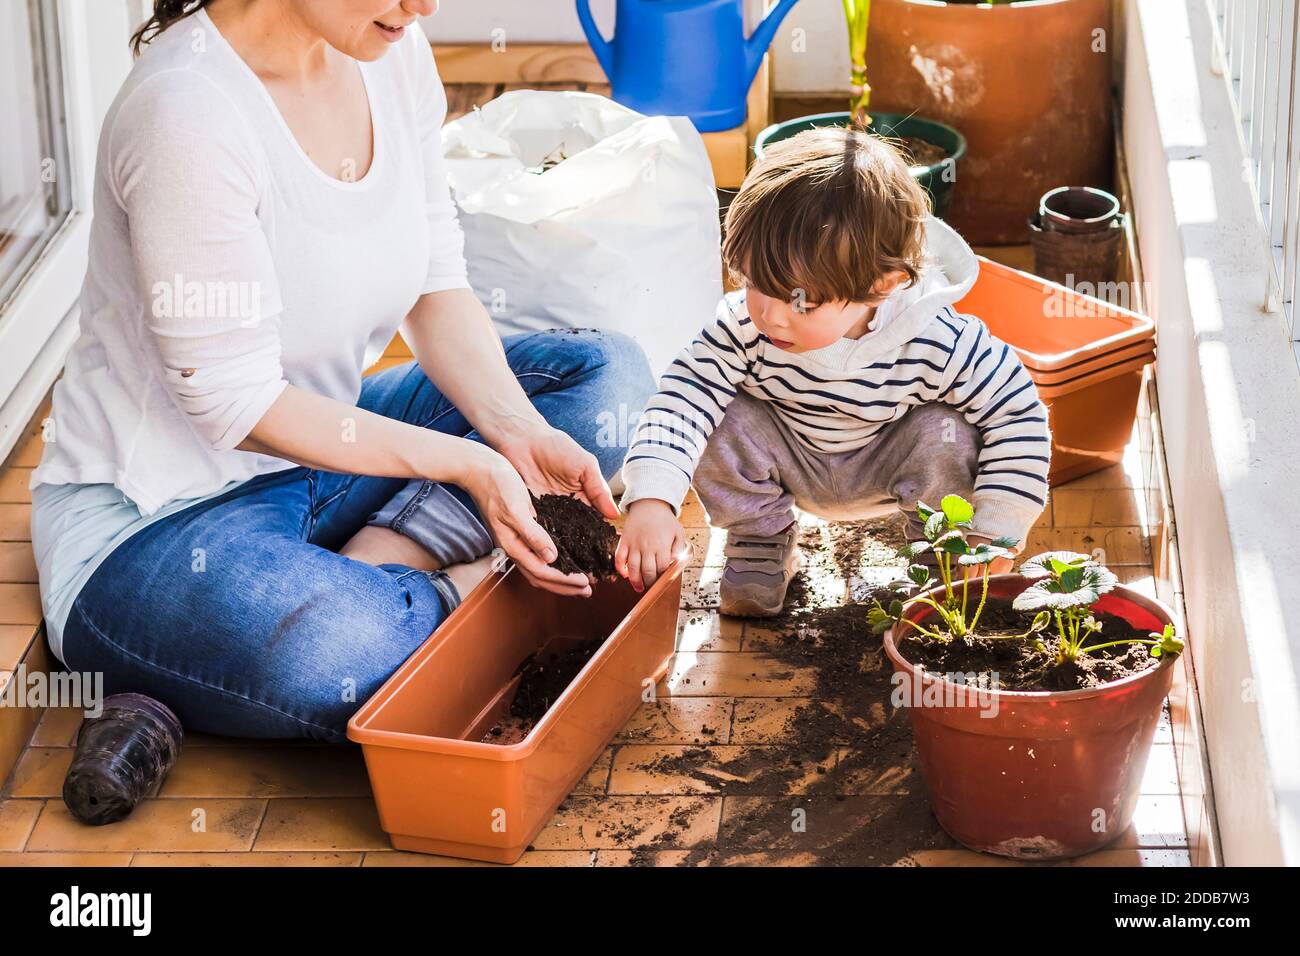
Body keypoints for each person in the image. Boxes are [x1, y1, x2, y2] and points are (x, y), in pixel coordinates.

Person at [29, 0, 654, 741]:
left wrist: (513, 435)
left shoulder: (390, 53)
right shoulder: (186, 112)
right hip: (159, 521)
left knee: (605, 374)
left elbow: (435, 280)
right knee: (341, 652)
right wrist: (469, 465)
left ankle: (384, 567)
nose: (424, 6)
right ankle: (436, 589)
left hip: (327, 452)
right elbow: (232, 404)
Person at [615, 127, 1051, 616]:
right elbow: (681, 398)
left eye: (801, 301)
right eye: (757, 282)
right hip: (789, 461)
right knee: (717, 413)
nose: (770, 314)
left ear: (882, 286)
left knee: (947, 433)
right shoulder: (743, 326)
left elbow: (1018, 416)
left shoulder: (937, 339)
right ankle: (761, 537)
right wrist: (652, 497)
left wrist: (994, 532)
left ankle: (939, 553)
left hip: (891, 464)